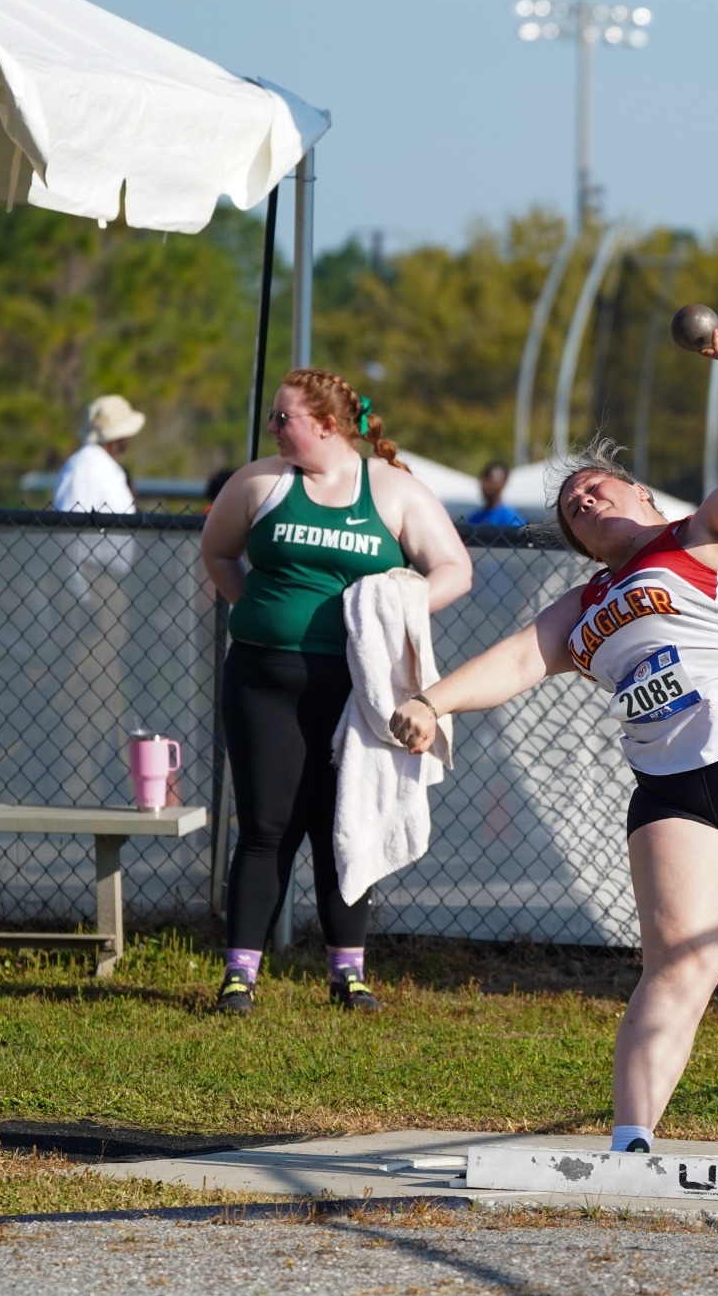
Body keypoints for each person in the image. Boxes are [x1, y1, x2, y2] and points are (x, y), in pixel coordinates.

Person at [388, 319, 718, 1166]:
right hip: (676, 791)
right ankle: (630, 1147)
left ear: (642, 494)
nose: (585, 502)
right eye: (573, 510)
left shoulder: (712, 534)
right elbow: (513, 661)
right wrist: (432, 700)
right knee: (678, 965)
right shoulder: (584, 607)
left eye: (597, 489)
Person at [200, 368, 473, 1016]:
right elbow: (217, 553)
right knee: (267, 826)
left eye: (282, 417)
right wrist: (262, 615)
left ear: (325, 424)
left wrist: (399, 613)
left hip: (355, 687)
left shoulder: (390, 488)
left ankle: (348, 975)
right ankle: (240, 974)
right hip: (263, 678)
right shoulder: (261, 481)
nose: (271, 427)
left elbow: (455, 568)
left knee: (342, 820)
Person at [52, 394, 146, 799]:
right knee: (87, 687)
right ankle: (79, 787)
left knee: (104, 686)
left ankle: (98, 783)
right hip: (94, 585)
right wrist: (81, 591)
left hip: (105, 583)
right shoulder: (86, 469)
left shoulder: (100, 468)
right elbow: (67, 536)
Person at [468, 461, 525, 527]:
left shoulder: (512, 518)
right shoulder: (475, 518)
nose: (485, 484)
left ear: (503, 482)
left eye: (490, 479)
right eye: (484, 478)